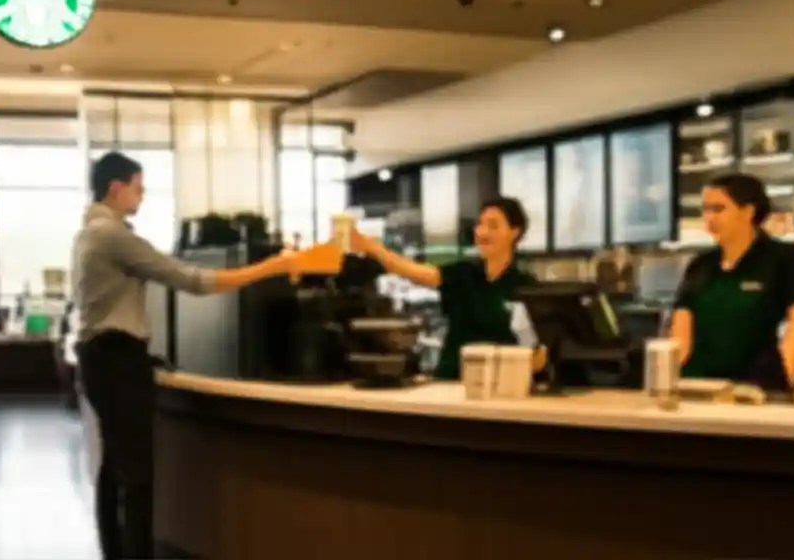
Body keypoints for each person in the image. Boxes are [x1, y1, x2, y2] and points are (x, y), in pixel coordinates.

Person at [74, 151, 300, 560]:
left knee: (115, 468)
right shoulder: (112, 235)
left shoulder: (88, 232)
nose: (142, 196)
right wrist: (269, 268)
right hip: (117, 360)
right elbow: (191, 280)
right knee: (136, 476)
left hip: (101, 358)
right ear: (116, 187)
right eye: (138, 188)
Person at [353, 197, 538, 380]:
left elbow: (535, 348)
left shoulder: (525, 287)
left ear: (515, 232)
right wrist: (374, 249)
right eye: (480, 225)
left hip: (499, 382)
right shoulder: (464, 273)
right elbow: (412, 271)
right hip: (451, 380)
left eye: (493, 226)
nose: (483, 232)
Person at [670, 174, 794, 386]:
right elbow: (681, 333)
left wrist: (786, 383)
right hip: (699, 385)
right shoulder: (700, 265)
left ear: (748, 211)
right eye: (705, 209)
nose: (709, 218)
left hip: (757, 385)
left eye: (719, 209)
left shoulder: (786, 259)